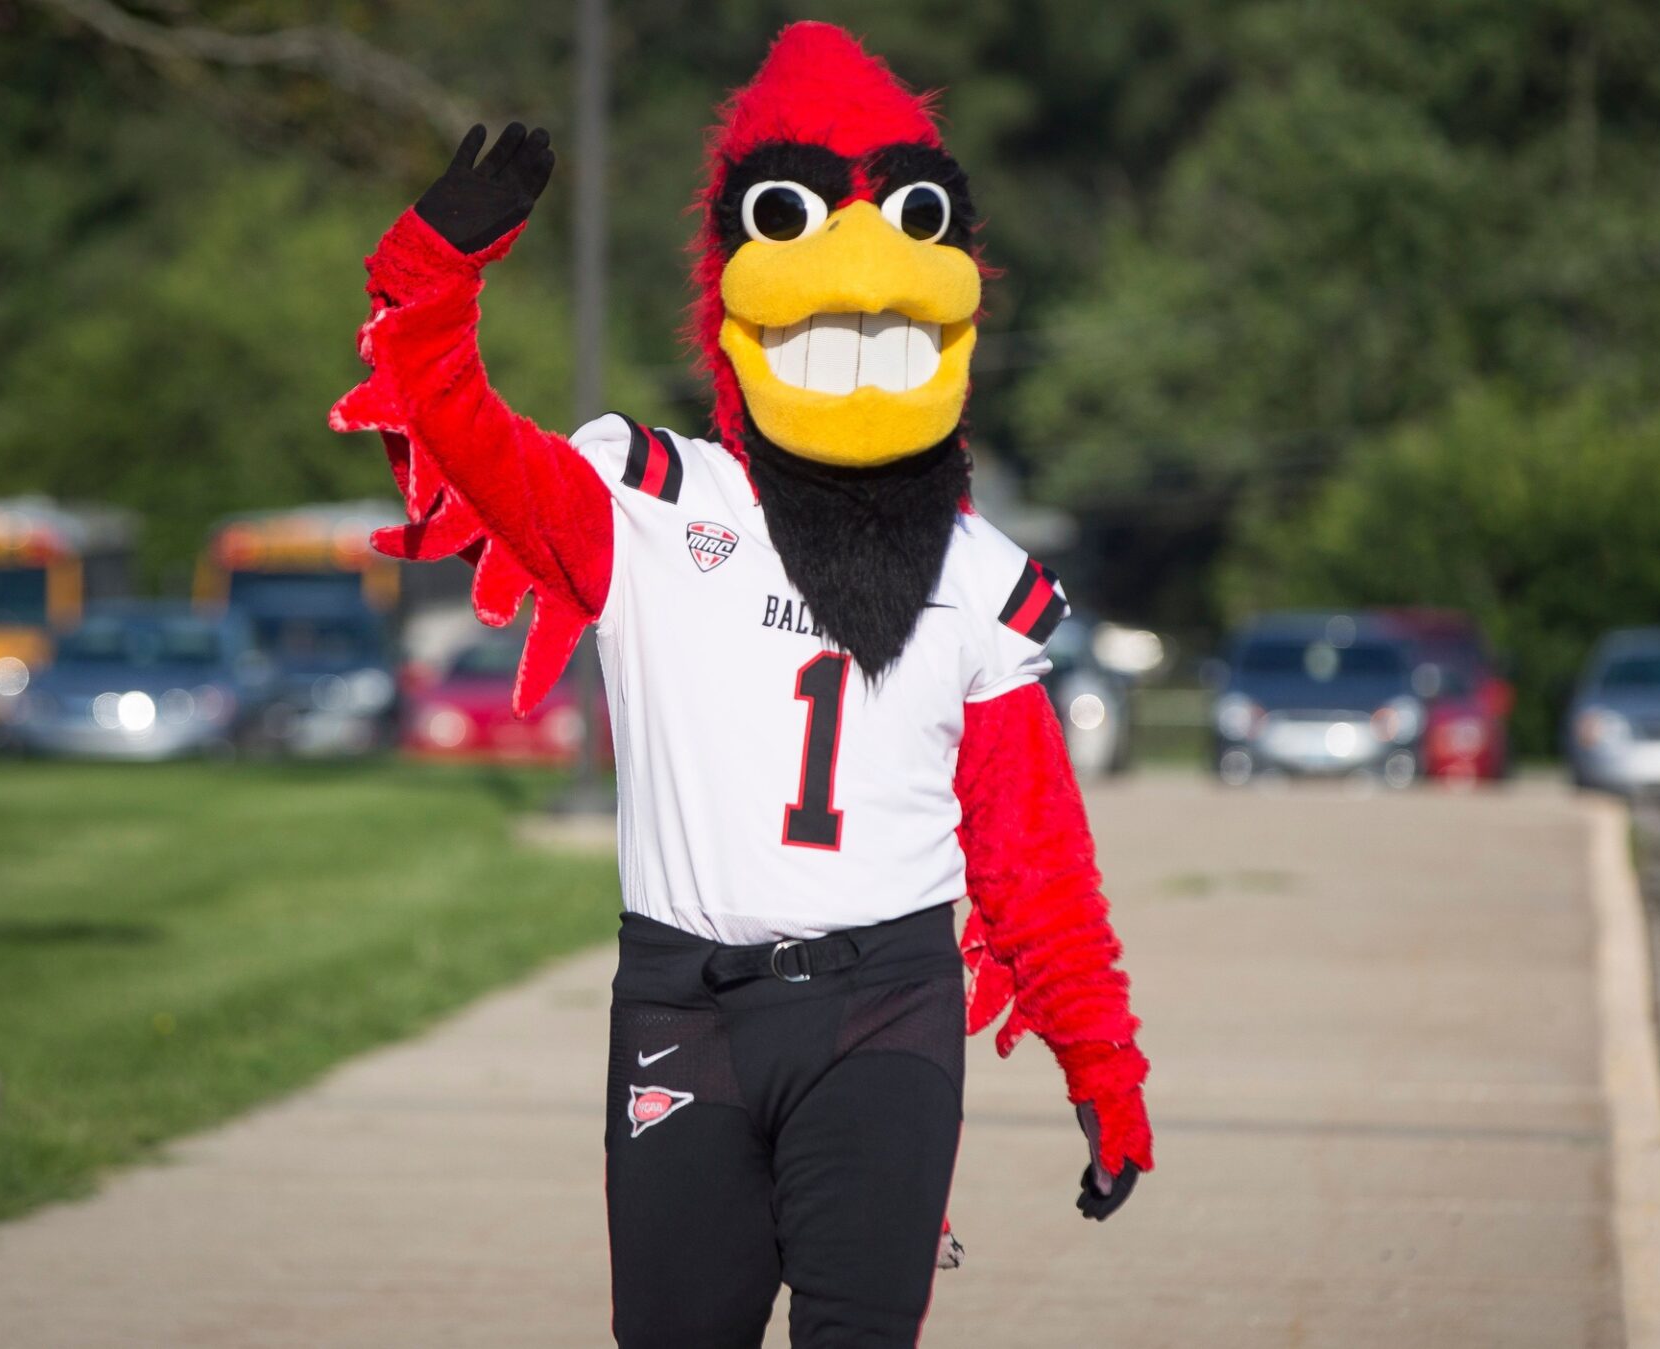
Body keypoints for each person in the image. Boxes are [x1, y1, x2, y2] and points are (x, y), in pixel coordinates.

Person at [331, 22, 1151, 1348]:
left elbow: (1030, 854)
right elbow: (458, 435)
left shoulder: (977, 569)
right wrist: (433, 274)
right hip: (685, 1003)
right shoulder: (653, 500)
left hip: (886, 1003)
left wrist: (1103, 1067)